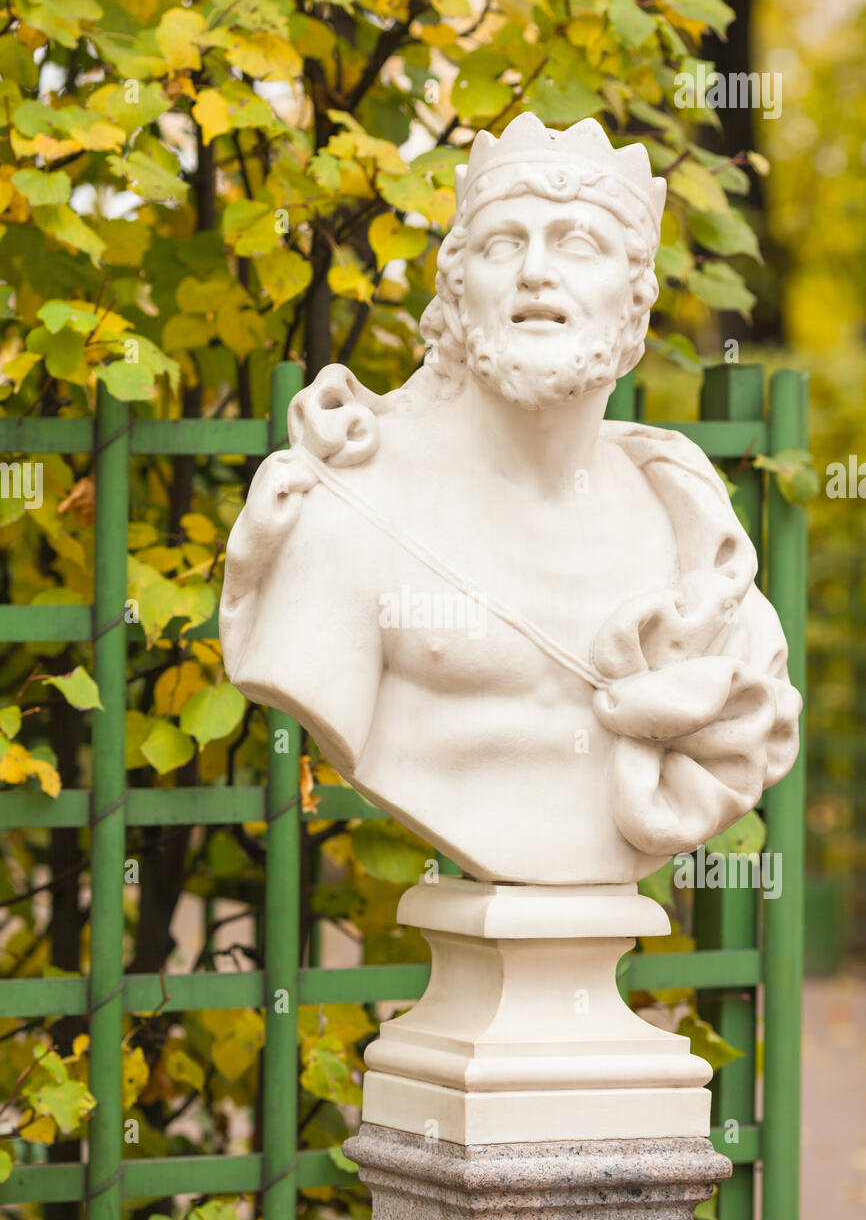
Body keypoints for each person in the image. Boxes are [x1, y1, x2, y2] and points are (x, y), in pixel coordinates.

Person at [220, 113, 801, 886]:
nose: (535, 272)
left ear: (634, 302)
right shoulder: (339, 513)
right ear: (459, 295)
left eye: (578, 244)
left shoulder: (694, 540)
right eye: (503, 244)